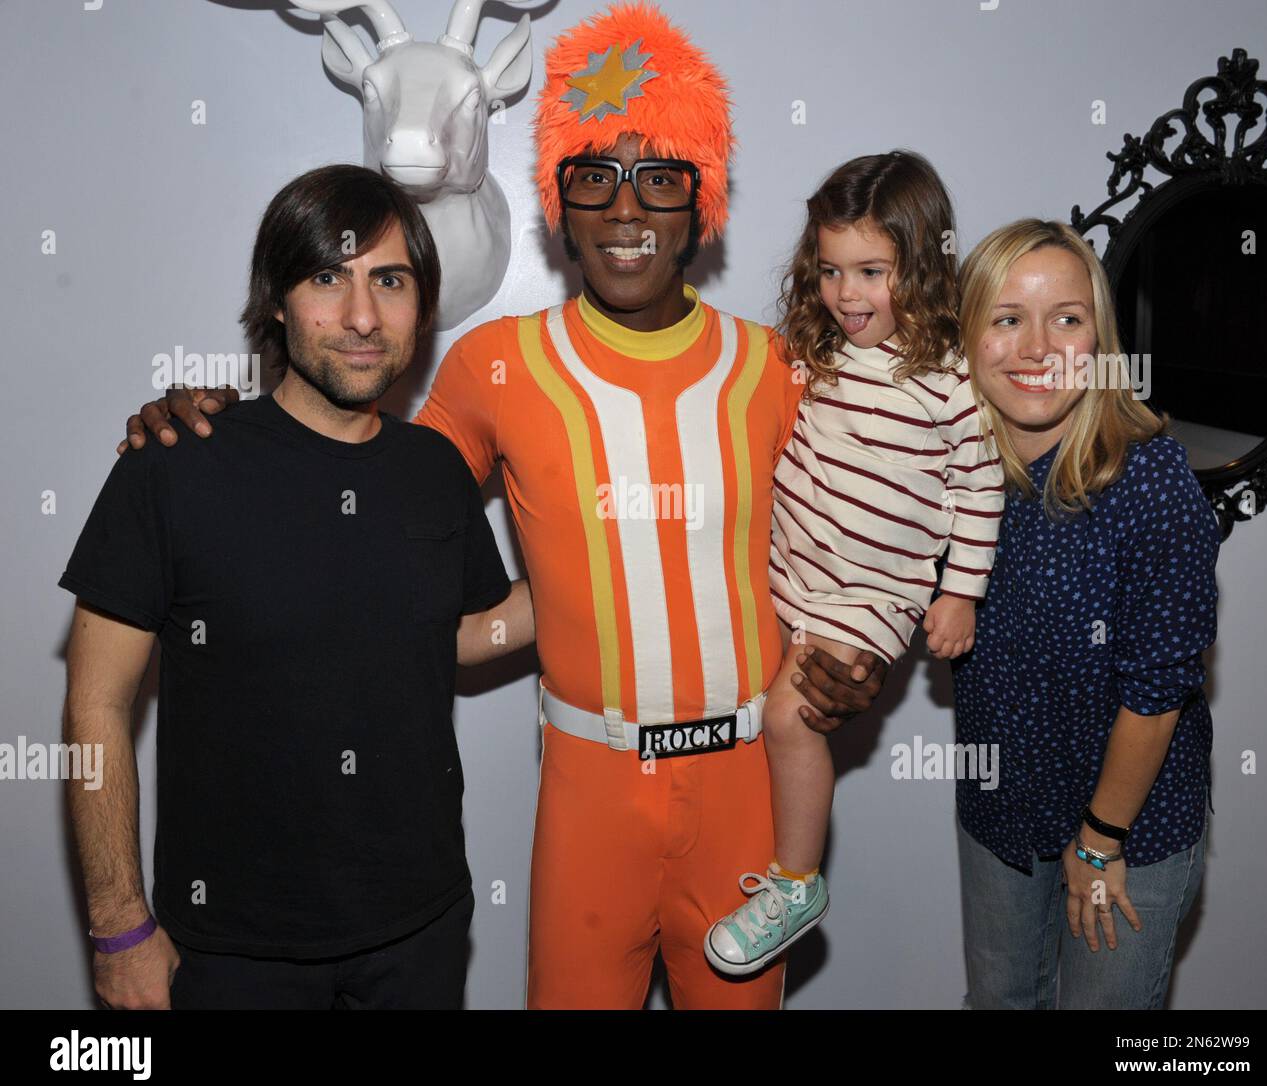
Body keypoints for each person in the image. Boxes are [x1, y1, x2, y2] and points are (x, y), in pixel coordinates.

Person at [117, 2, 884, 1009]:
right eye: (592, 178)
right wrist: (219, 422)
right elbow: (352, 480)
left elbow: (887, 509)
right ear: (557, 205)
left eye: (659, 178)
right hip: (587, 787)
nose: (624, 210)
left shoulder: (782, 366)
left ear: (701, 203)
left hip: (753, 789)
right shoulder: (494, 364)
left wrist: (867, 643)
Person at [61, 164, 522, 1010]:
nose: (360, 317)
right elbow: (95, 706)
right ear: (276, 299)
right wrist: (120, 927)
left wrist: (630, 549)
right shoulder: (176, 463)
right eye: (326, 278)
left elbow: (454, 633)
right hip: (231, 952)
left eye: (389, 281)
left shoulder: (434, 469)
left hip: (421, 930)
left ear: (420, 307)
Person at [703, 153, 1005, 975]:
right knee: (742, 709)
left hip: (871, 598)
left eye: (872, 271)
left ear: (924, 266)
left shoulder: (950, 383)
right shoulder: (821, 354)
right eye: (831, 271)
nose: (847, 294)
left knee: (792, 718)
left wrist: (960, 596)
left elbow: (981, 494)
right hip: (787, 573)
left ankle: (798, 883)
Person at [951, 219, 1220, 1009]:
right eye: (1007, 319)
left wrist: (1100, 841)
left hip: (1129, 825)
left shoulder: (1155, 486)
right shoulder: (955, 473)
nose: (1037, 347)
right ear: (967, 339)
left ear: (1100, 339)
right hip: (999, 808)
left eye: (1066, 318)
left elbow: (1154, 694)